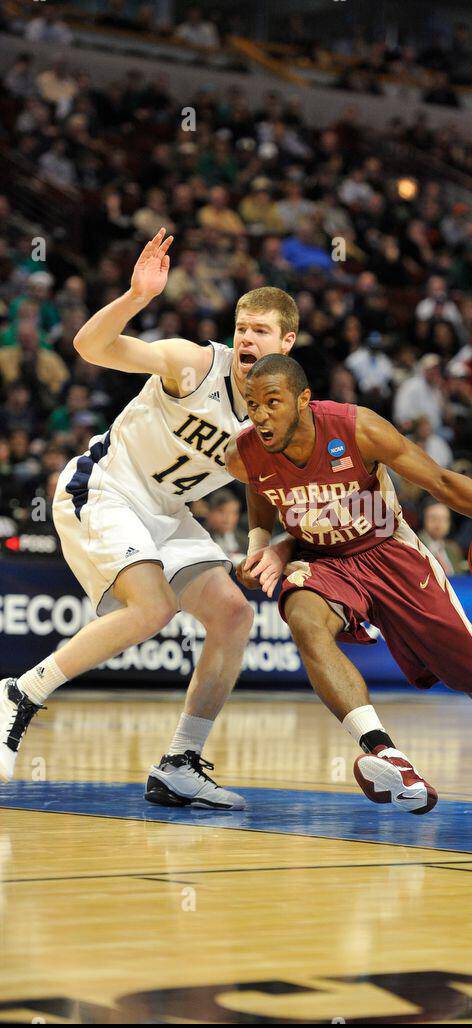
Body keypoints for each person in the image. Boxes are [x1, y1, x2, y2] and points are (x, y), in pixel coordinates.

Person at [225, 354, 472, 823]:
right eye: (251, 404)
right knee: (303, 617)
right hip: (324, 561)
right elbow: (260, 489)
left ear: (303, 400)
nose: (260, 415)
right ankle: (384, 753)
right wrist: (261, 544)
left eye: (272, 403)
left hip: (391, 553)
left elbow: (444, 483)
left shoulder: (357, 429)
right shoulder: (243, 451)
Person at [0, 231, 297, 810]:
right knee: (153, 607)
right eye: (242, 329)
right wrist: (137, 296)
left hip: (163, 511)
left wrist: (273, 543)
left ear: (287, 341)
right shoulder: (193, 366)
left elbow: (279, 490)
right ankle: (20, 693)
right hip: (105, 486)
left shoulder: (276, 415)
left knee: (233, 614)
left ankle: (180, 762)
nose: (246, 340)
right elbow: (90, 346)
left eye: (260, 331)